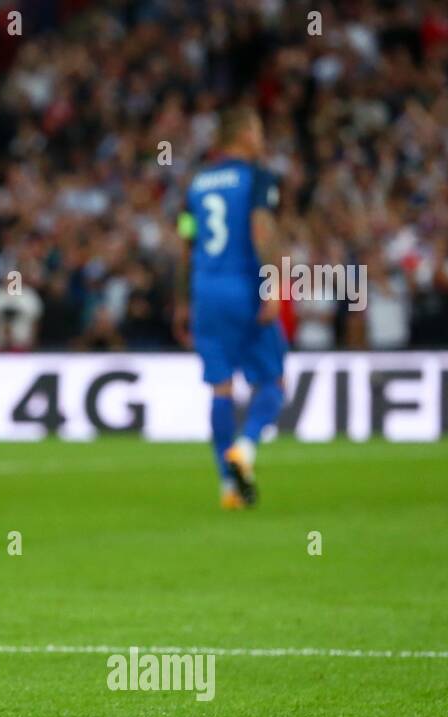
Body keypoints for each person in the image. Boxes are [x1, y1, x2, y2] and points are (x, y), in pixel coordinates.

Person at [179, 107, 286, 508]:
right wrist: (273, 284)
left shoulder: (197, 184)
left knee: (220, 388)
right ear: (242, 134)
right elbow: (261, 227)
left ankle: (228, 487)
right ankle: (246, 446)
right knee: (273, 384)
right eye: (258, 129)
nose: (262, 138)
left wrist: (182, 300)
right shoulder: (258, 178)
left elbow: (186, 241)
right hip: (243, 287)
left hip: (205, 291)